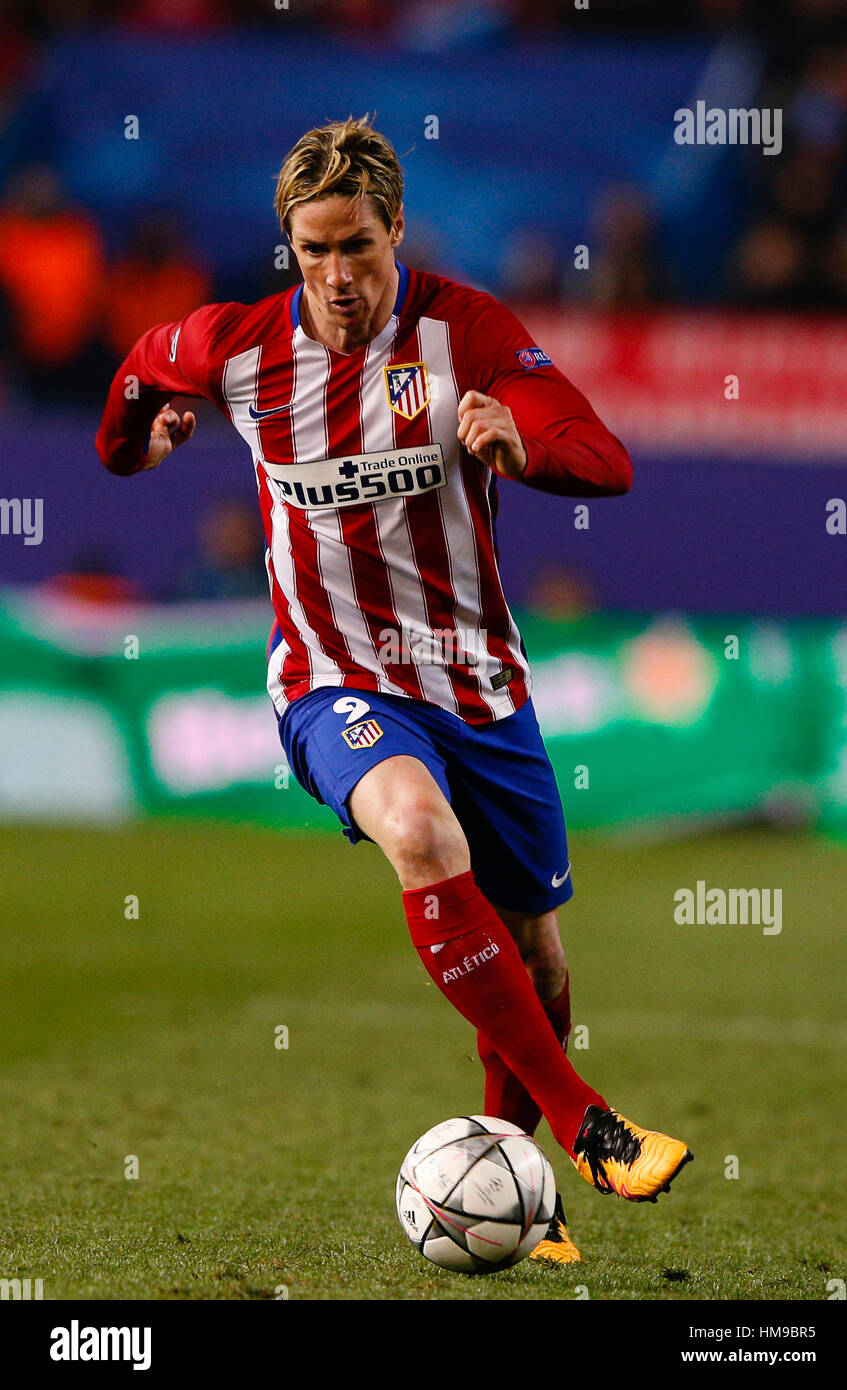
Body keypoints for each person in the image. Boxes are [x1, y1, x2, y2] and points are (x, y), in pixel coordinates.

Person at [96, 115, 692, 1265]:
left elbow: (602, 454)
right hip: (330, 676)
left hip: (477, 681)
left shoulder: (462, 329)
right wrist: (152, 432)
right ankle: (585, 1121)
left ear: (395, 231)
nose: (335, 276)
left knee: (542, 967)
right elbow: (124, 408)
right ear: (289, 245)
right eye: (312, 250)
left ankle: (510, 1182)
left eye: (356, 247)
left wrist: (523, 443)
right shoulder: (231, 346)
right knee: (417, 829)